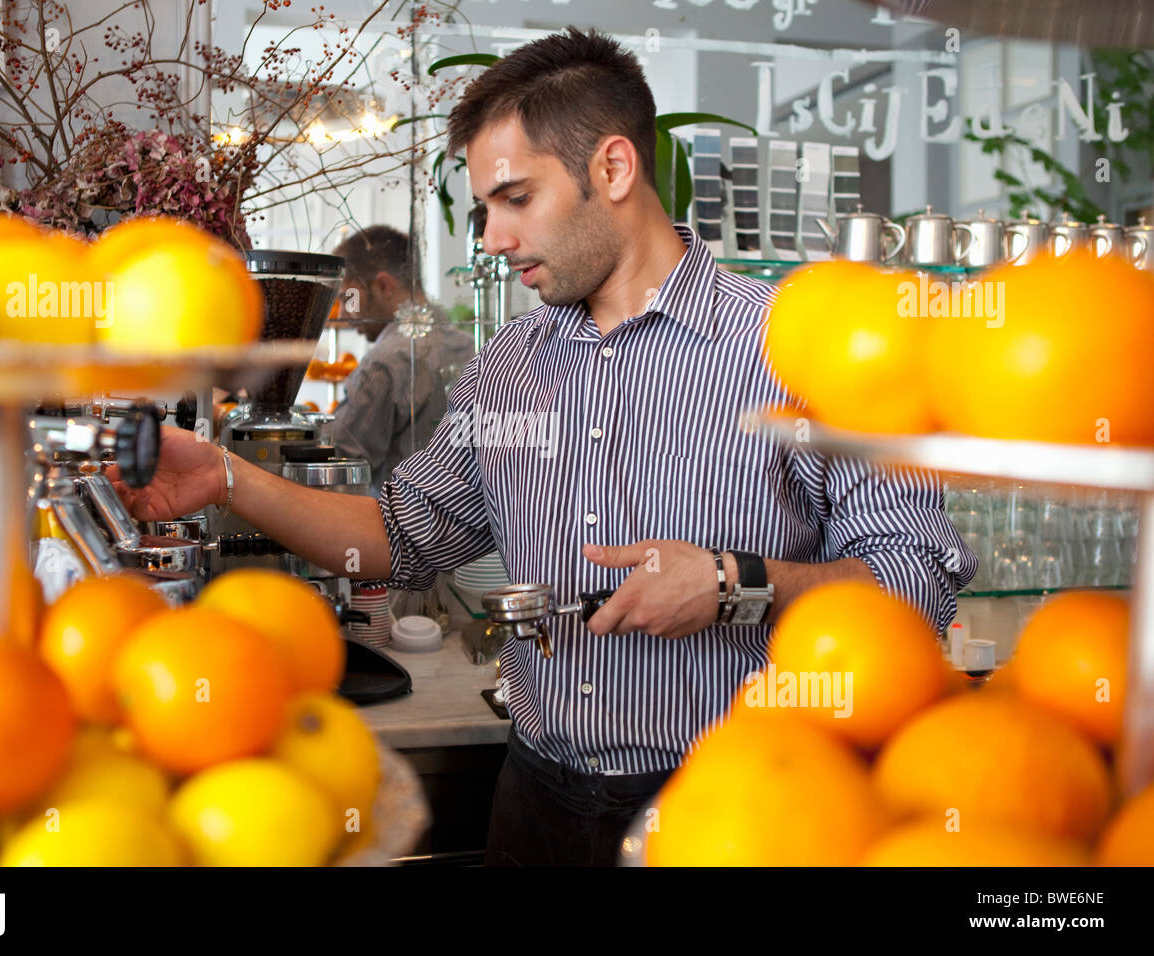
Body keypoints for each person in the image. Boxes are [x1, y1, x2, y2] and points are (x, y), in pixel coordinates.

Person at [112, 27, 976, 867]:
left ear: (613, 167)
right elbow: (402, 532)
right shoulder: (510, 366)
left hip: (740, 808)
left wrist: (734, 583)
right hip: (533, 805)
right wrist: (224, 477)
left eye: (515, 199)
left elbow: (918, 576)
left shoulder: (792, 348)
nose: (491, 238)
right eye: (487, 208)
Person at [328, 226, 476, 496]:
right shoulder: (468, 345)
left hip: (399, 530)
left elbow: (339, 470)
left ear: (383, 285)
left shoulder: (384, 363)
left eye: (348, 297)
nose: (345, 316)